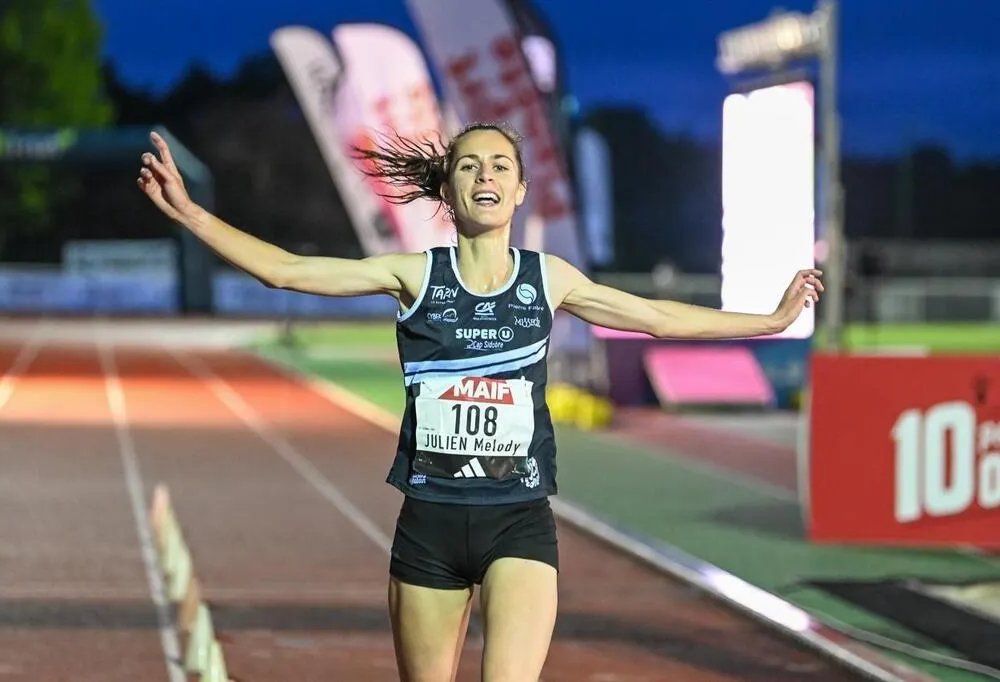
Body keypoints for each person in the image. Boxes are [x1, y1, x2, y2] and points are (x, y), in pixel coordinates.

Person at [137, 122, 822, 682]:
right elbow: (287, 272)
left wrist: (766, 322)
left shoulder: (547, 279)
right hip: (429, 527)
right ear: (448, 188)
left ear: (520, 190)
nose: (485, 176)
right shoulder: (415, 276)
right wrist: (194, 214)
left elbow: (656, 318)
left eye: (500, 166)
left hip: (517, 524)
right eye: (468, 166)